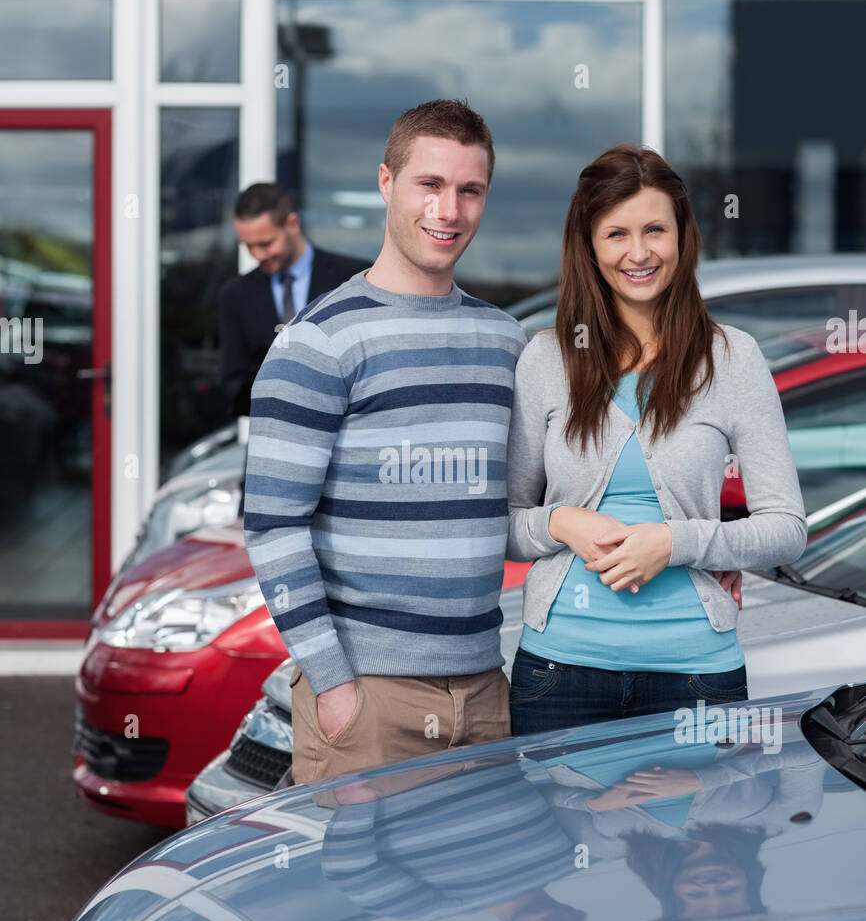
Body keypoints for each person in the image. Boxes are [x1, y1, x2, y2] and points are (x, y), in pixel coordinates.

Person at [243, 99, 527, 786]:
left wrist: (692, 545)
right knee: (359, 898)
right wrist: (335, 688)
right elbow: (273, 525)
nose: (449, 211)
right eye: (430, 184)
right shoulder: (319, 341)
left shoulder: (504, 341)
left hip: (486, 690)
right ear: (385, 182)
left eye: (469, 190)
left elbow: (520, 513)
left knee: (479, 891)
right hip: (369, 699)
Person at [507, 144, 808, 736]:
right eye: (616, 234)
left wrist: (677, 542)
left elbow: (787, 530)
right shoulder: (545, 358)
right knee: (562, 831)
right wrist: (561, 521)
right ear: (589, 246)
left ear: (682, 237)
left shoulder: (732, 358)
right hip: (558, 673)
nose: (638, 253)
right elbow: (504, 524)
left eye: (655, 230)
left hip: (698, 678)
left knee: (698, 830)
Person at [218, 181, 370, 418]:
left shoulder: (353, 279)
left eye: (266, 243)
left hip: (343, 441)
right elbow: (230, 384)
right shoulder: (235, 295)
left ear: (292, 224)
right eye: (249, 246)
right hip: (269, 440)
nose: (258, 255)